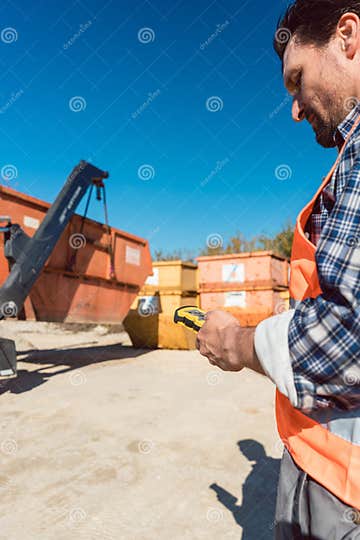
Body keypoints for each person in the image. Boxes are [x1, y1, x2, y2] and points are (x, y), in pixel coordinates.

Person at [196, 1, 360, 538]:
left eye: (298, 79)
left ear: (347, 37)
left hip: (344, 487)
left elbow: (350, 329)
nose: (294, 108)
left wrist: (239, 345)